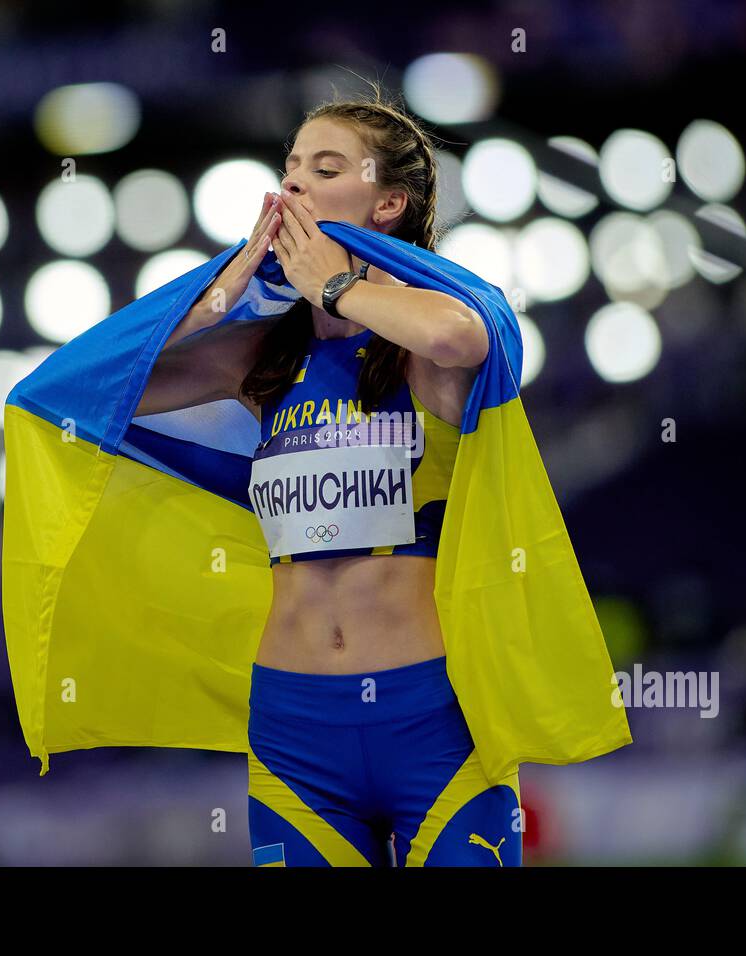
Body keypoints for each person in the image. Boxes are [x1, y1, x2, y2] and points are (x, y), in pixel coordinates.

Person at [134, 92, 516, 866]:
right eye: (291, 167)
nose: (293, 186)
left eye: (326, 168)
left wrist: (337, 287)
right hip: (295, 728)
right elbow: (99, 387)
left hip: (434, 718)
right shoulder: (262, 357)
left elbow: (461, 335)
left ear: (389, 204)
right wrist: (220, 292)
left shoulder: (429, 333)